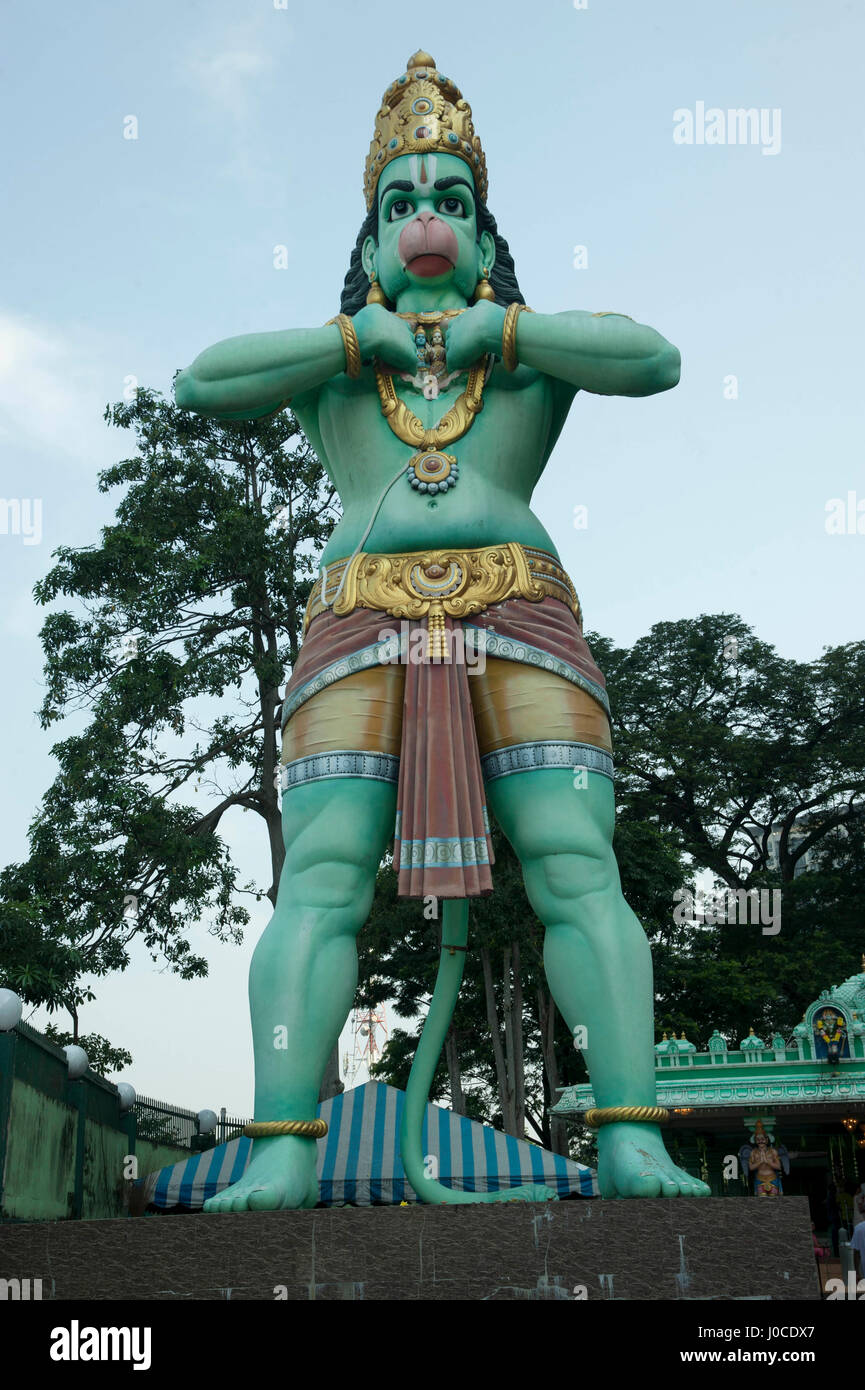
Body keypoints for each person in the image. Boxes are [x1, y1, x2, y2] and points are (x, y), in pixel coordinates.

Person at [176, 50, 710, 1210]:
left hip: (521, 613)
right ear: (368, 246)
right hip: (356, 621)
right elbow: (198, 384)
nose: (426, 221)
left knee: (576, 867)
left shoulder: (526, 358)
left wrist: (502, 337)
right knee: (318, 879)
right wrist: (343, 342)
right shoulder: (335, 369)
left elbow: (656, 359)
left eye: (451, 203)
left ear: (483, 235)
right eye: (401, 204)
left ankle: (628, 1133)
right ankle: (281, 1143)